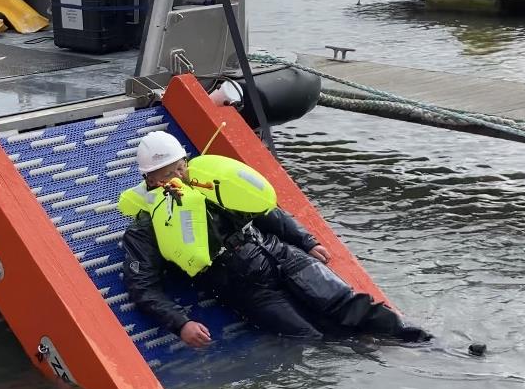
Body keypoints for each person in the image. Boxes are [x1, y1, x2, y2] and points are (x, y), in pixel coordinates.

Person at [119, 131, 433, 348]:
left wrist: (306, 241)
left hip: (277, 254)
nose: (174, 178)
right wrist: (180, 323)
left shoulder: (210, 183)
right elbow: (142, 286)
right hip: (243, 286)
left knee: (345, 303)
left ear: (186, 164)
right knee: (307, 336)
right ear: (148, 179)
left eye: (178, 168)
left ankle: (424, 341)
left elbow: (265, 210)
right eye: (163, 175)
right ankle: (370, 362)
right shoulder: (145, 226)